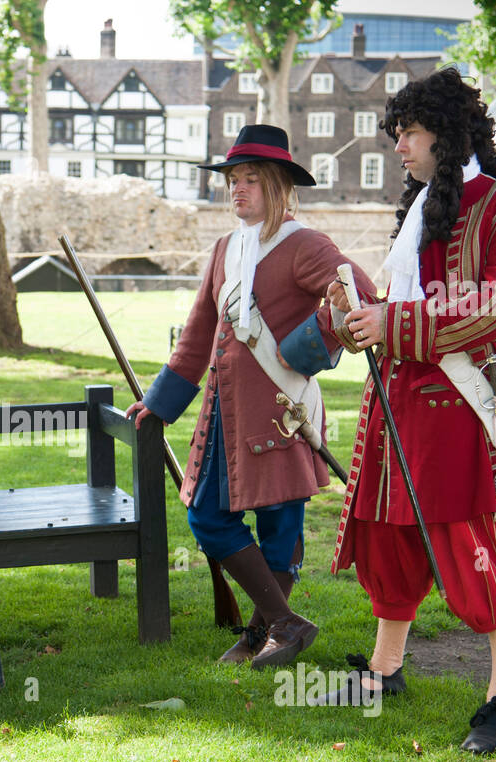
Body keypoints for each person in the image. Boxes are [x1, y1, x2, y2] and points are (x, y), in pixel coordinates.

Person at [324, 68, 496, 753]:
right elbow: (398, 303)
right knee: (389, 540)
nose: (399, 146)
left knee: (475, 550)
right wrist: (355, 319)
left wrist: (395, 323)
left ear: (446, 130)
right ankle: (384, 671)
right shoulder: (419, 209)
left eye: (409, 132)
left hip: (460, 409)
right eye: (396, 133)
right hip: (394, 406)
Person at [126, 124, 376, 668]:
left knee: (280, 527)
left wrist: (314, 336)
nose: (237, 189)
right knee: (207, 519)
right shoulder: (225, 249)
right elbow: (196, 336)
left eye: (250, 180)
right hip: (225, 412)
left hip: (283, 412)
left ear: (279, 185)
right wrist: (160, 403)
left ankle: (265, 631)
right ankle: (284, 623)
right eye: (233, 180)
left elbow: (361, 300)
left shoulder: (306, 245)